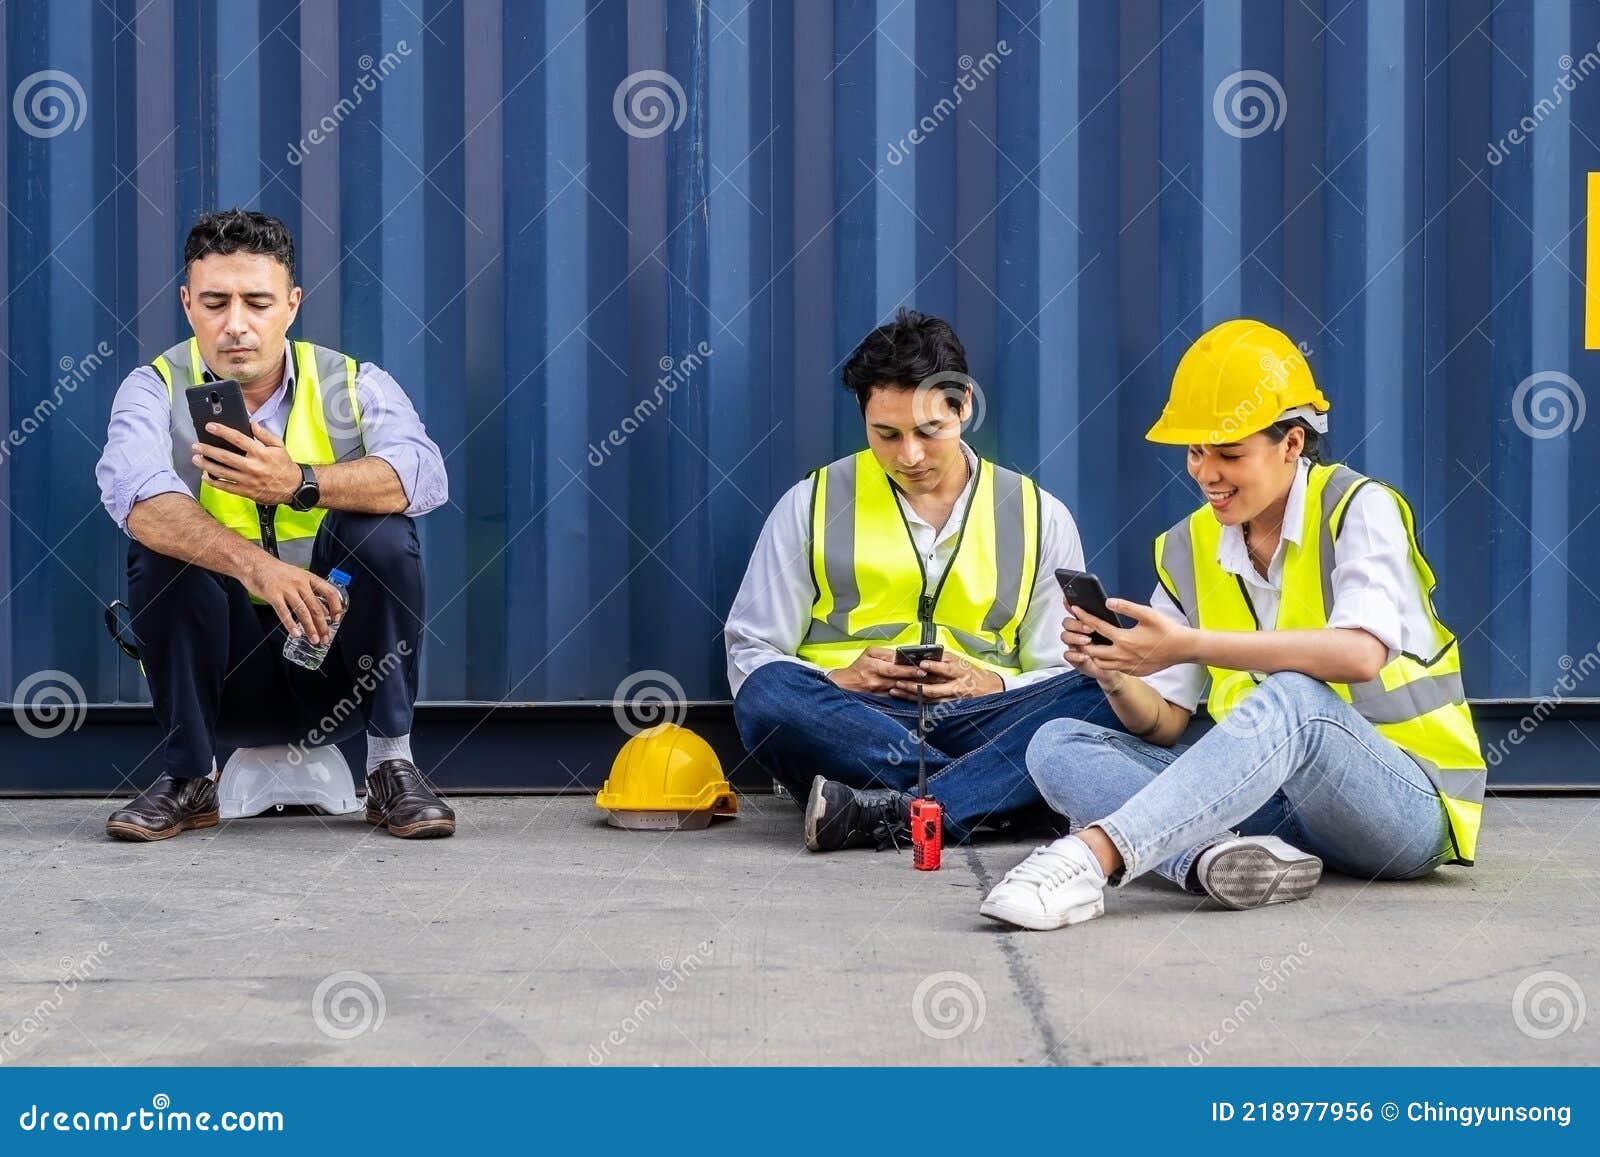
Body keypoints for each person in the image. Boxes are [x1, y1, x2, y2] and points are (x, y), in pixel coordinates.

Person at [980, 319, 1486, 929]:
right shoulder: (1186, 546)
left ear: (1292, 444)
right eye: (1196, 451)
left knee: (1296, 695)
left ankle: (1091, 859)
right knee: (1057, 743)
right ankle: (1215, 859)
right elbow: (1164, 723)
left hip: (1402, 807)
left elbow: (1360, 655)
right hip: (1275, 809)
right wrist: (1115, 672)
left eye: (1229, 454)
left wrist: (1188, 645)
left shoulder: (1358, 508)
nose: (1206, 473)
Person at [94, 209, 455, 841]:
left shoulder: (350, 382)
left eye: (257, 302)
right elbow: (137, 498)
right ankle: (189, 777)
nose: (236, 324)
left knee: (382, 534)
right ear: (187, 304)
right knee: (160, 546)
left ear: (291, 305)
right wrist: (259, 568)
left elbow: (424, 477)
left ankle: (391, 766)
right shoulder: (154, 389)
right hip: (222, 681)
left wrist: (300, 483)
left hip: (337, 666)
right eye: (215, 303)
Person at [727, 309, 1122, 852]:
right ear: (864, 417)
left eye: (928, 431)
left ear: (963, 407)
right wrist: (843, 679)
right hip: (854, 719)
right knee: (767, 695)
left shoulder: (1039, 515)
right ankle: (992, 796)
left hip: (982, 718)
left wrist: (990, 685)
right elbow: (751, 649)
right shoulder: (811, 503)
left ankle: (891, 811)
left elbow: (1059, 666)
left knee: (1105, 690)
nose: (908, 455)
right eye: (886, 434)